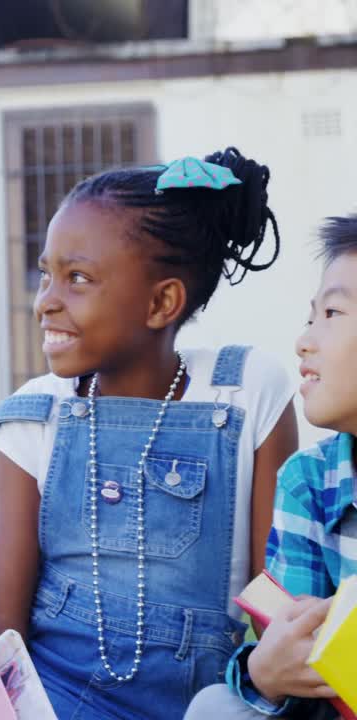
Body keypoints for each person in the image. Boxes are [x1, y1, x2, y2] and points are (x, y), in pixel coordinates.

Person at [0, 149, 298, 719]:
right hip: (57, 702)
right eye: (46, 274)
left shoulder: (246, 388)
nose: (45, 302)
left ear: (162, 302)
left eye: (76, 278)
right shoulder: (34, 416)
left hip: (201, 704)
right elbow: (0, 627)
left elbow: (271, 595)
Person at [184, 215, 357, 719]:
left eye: (332, 313)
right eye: (311, 317)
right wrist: (268, 671)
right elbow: (300, 647)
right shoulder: (309, 481)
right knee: (217, 707)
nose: (305, 340)